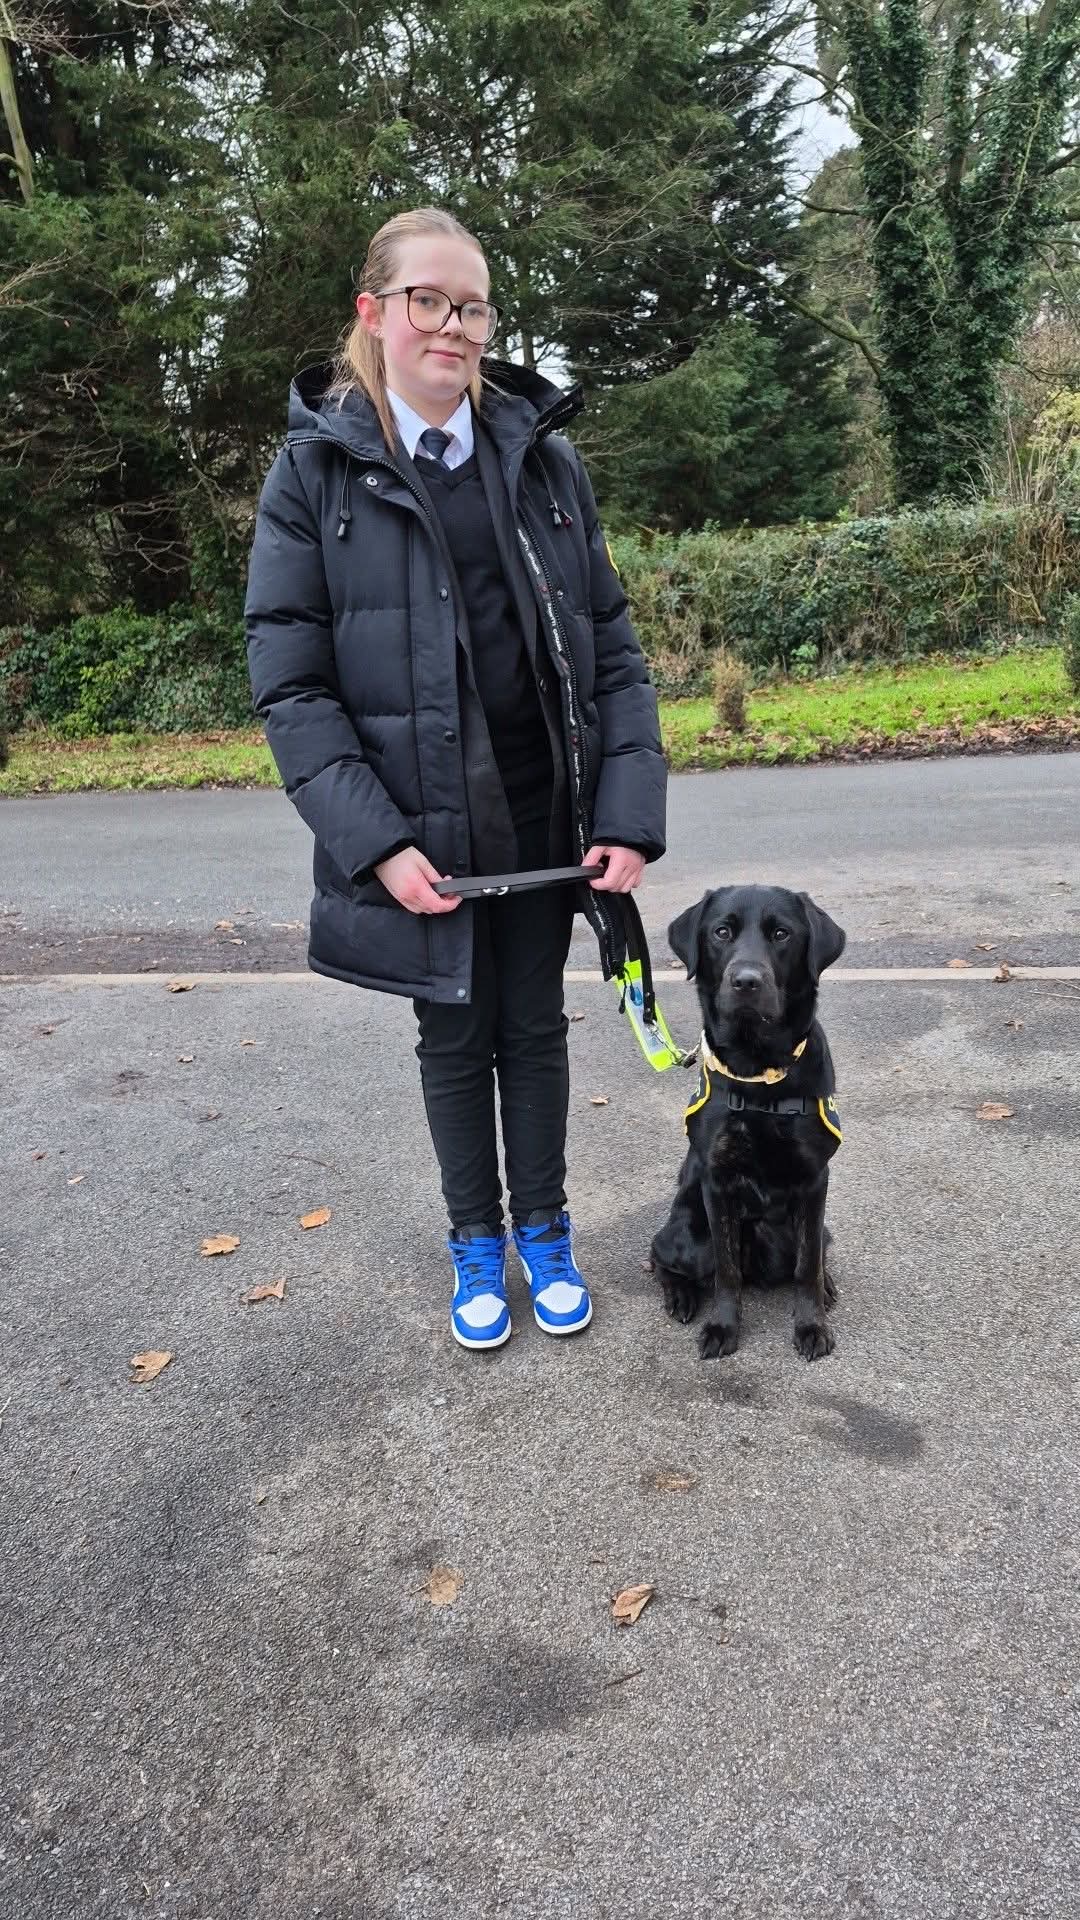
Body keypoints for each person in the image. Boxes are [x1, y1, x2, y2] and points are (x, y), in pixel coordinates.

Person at [245, 206, 666, 1352]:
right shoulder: (311, 477)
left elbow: (615, 655)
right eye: (427, 299)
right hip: (417, 830)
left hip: (543, 820)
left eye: (473, 304)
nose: (455, 325)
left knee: (534, 1030)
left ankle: (545, 1232)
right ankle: (475, 1242)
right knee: (452, 1038)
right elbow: (293, 690)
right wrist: (374, 842)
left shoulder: (545, 460)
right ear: (373, 316)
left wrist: (627, 813)